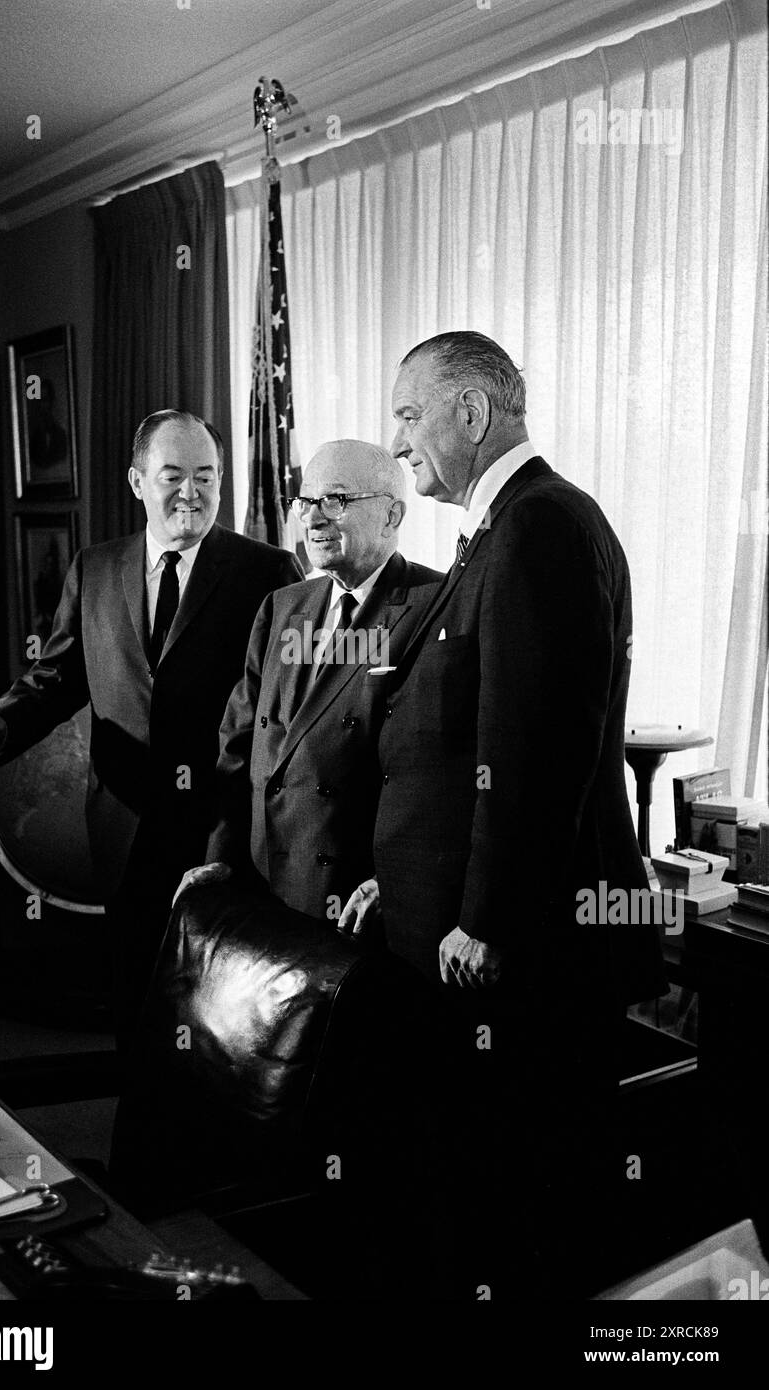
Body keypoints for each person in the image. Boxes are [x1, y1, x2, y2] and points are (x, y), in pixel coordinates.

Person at [343, 330, 667, 1296]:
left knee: (528, 1202)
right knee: (478, 1188)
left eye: (409, 415)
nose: (397, 443)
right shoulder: (501, 529)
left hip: (522, 953)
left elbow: (533, 751)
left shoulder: (541, 527)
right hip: (469, 938)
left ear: (470, 413)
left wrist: (485, 920)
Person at [0, 410, 302, 1045]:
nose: (191, 493)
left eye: (206, 477)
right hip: (122, 827)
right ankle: (138, 1140)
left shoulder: (268, 573)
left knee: (223, 1022)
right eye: (172, 476)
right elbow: (54, 679)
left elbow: (284, 709)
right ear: (136, 482)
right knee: (135, 1009)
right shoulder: (95, 568)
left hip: (223, 831)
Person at [175, 440, 442, 925]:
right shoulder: (283, 606)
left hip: (358, 904)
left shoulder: (433, 606)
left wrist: (399, 879)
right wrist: (220, 855)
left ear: (392, 515)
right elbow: (237, 746)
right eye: (305, 502)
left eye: (335, 501)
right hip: (262, 889)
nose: (313, 520)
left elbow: (438, 771)